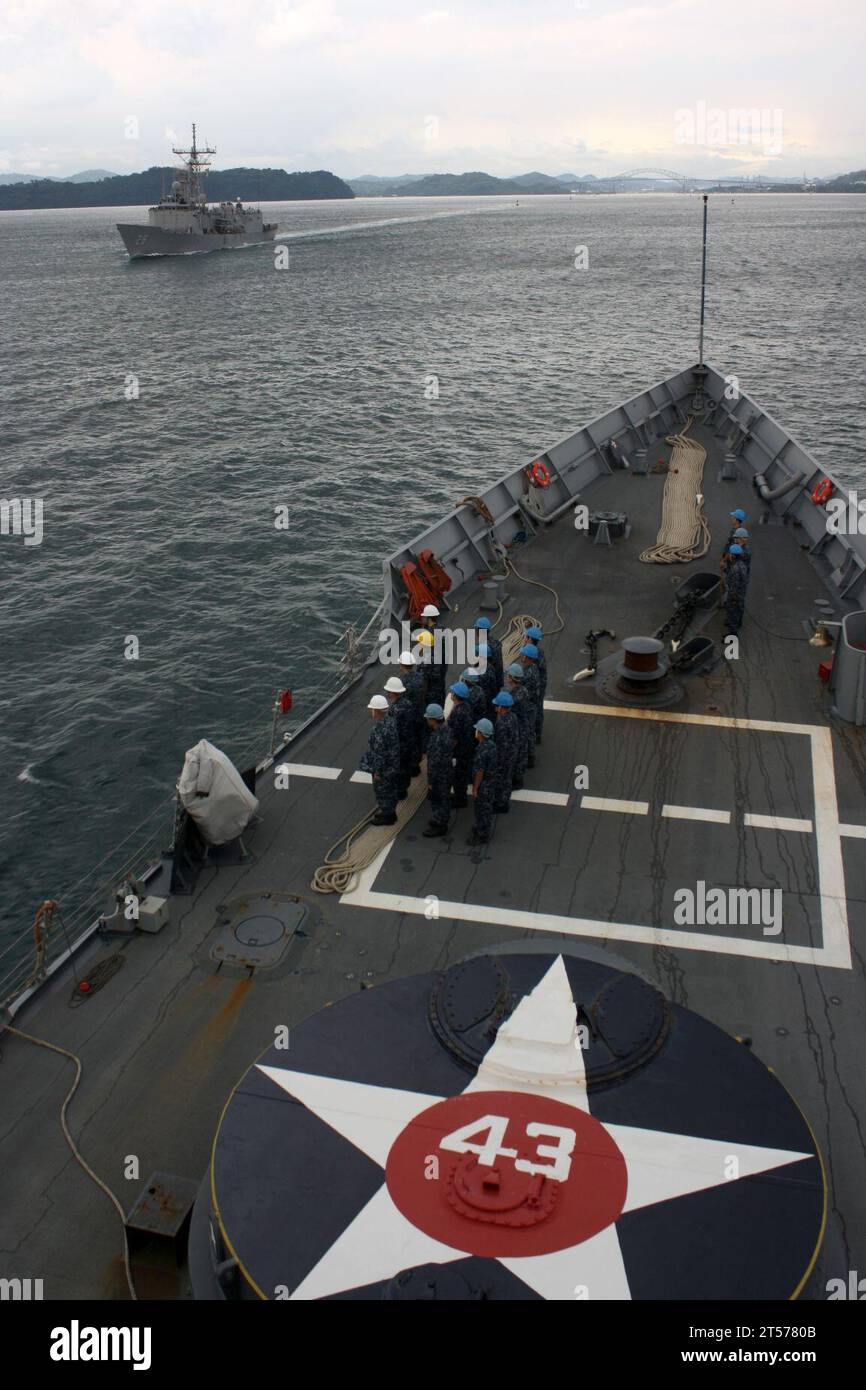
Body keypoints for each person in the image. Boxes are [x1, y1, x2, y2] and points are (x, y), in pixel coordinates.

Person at [359, 694, 400, 825]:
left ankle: (388, 816)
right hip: (393, 764)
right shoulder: (391, 721)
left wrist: (377, 772)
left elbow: (379, 754)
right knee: (392, 789)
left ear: (376, 711)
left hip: (384, 769)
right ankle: (390, 812)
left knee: (383, 792)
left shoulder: (378, 730)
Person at [422, 704, 451, 837]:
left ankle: (440, 824)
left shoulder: (436, 737)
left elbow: (434, 762)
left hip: (439, 775)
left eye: (428, 718)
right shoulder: (446, 730)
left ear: (433, 720)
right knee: (443, 798)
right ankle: (440, 820)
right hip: (446, 771)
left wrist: (430, 781)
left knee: (438, 800)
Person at [384, 676, 415, 799]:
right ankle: (404, 787)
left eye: (389, 691)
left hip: (399, 744)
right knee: (406, 767)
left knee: (399, 768)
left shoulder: (394, 709)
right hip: (409, 741)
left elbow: (392, 730)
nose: (387, 693)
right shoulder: (408, 703)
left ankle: (400, 792)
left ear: (393, 692)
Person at [469, 718, 498, 846]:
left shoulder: (482, 749)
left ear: (481, 733)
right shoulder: (491, 745)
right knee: (485, 808)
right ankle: (482, 828)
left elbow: (479, 772)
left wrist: (475, 788)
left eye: (477, 730)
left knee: (482, 809)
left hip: (484, 785)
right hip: (491, 782)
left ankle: (482, 834)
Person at [447, 681, 475, 808]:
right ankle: (460, 795)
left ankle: (460, 799)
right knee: (462, 772)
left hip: (460, 749)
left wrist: (449, 750)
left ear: (455, 696)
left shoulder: (458, 712)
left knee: (458, 774)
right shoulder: (466, 707)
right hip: (467, 746)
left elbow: (455, 736)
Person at [505, 662, 532, 789]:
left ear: (512, 678)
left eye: (509, 675)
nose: (507, 677)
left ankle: (517, 779)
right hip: (522, 725)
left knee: (518, 752)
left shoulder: (516, 695)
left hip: (520, 727)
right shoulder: (522, 690)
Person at [398, 650, 425, 775]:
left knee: (409, 740)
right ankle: (418, 760)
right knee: (418, 738)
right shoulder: (420, 676)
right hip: (420, 712)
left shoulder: (403, 682)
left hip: (408, 716)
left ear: (402, 665)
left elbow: (401, 701)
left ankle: (412, 766)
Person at [491, 691, 519, 813]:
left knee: (500, 779)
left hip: (503, 757)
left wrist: (497, 761)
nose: (496, 707)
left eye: (497, 706)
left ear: (502, 707)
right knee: (507, 779)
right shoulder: (513, 716)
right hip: (512, 753)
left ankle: (500, 803)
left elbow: (501, 745)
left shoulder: (501, 723)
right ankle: (505, 800)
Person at [518, 644, 541, 767]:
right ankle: (531, 755)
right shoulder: (533, 668)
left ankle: (528, 758)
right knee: (530, 731)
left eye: (523, 654)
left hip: (527, 707)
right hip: (533, 705)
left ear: (527, 657)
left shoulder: (526, 673)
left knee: (525, 732)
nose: (521, 655)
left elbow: (521, 693)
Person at [420, 604, 448, 705]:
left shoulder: (427, 634)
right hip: (442, 671)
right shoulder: (443, 629)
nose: (422, 618)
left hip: (432, 678)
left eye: (424, 616)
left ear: (428, 618)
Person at [525, 626, 547, 743]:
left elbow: (531, 674)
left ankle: (533, 735)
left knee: (534, 711)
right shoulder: (540, 652)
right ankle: (537, 734)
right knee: (538, 709)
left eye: (526, 637)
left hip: (535, 687)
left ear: (529, 638)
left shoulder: (532, 655)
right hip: (540, 685)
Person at [724, 544, 750, 636]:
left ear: (733, 555)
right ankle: (738, 624)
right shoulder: (742, 564)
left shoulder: (735, 568)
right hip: (741, 593)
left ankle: (733, 635)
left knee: (732, 613)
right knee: (738, 611)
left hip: (735, 595)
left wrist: (733, 599)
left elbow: (734, 586)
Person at [474, 616, 503, 689]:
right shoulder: (496, 642)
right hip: (498, 678)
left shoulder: (481, 648)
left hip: (488, 682)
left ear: (478, 631)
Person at [473, 643, 499, 717]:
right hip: (489, 698)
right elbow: (494, 687)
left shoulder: (480, 671)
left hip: (482, 700)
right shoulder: (490, 667)